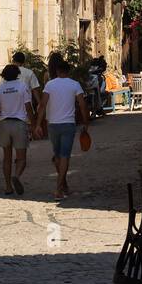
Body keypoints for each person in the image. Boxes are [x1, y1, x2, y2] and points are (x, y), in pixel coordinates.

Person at [35, 59, 89, 201]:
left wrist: (38, 124)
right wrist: (85, 122)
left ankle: (63, 185)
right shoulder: (74, 85)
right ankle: (59, 188)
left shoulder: (50, 85)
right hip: (68, 125)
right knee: (64, 156)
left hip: (52, 124)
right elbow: (82, 105)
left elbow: (42, 105)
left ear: (57, 71)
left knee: (58, 156)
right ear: (69, 71)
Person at [0, 63, 35, 196]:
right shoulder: (22, 87)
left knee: (6, 158)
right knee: (21, 158)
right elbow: (28, 107)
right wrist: (33, 124)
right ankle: (16, 175)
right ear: (17, 74)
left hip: (4, 124)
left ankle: (8, 186)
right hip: (19, 124)